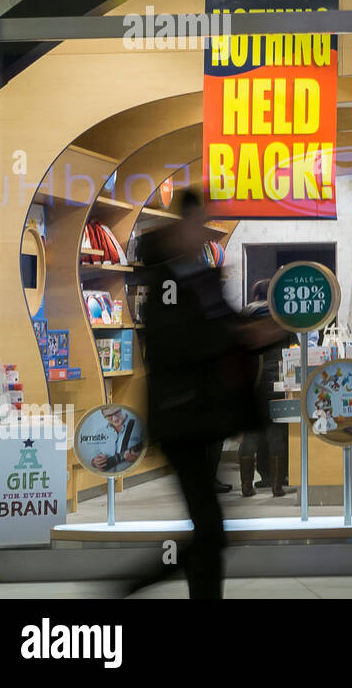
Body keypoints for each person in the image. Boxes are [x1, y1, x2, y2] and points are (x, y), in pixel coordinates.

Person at [134, 190, 284, 598]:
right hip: (179, 417)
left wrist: (261, 332)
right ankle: (131, 585)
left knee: (211, 529)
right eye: (197, 223)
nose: (202, 232)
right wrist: (238, 336)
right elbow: (172, 343)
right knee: (212, 529)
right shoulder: (161, 279)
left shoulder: (201, 276)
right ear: (180, 224)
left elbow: (224, 327)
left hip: (205, 415)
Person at [238, 279, 292, 498]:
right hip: (276, 383)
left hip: (249, 385)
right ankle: (277, 487)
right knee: (276, 433)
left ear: (256, 295)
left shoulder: (243, 317)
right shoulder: (282, 319)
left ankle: (246, 486)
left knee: (249, 435)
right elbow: (293, 349)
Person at [88, 406, 144, 473]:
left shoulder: (140, 425)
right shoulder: (100, 432)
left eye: (117, 412)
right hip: (106, 478)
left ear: (122, 408)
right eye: (109, 416)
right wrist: (94, 462)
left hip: (133, 476)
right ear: (104, 416)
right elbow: (92, 454)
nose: (114, 418)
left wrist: (138, 458)